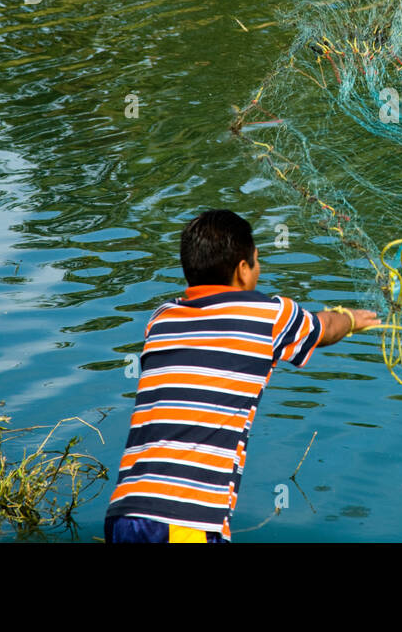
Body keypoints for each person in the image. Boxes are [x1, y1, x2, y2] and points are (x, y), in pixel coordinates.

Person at [103, 208, 380, 542]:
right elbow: (325, 328)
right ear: (243, 270)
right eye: (257, 261)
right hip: (188, 519)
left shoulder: (160, 320)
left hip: (124, 513)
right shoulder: (269, 315)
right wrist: (352, 318)